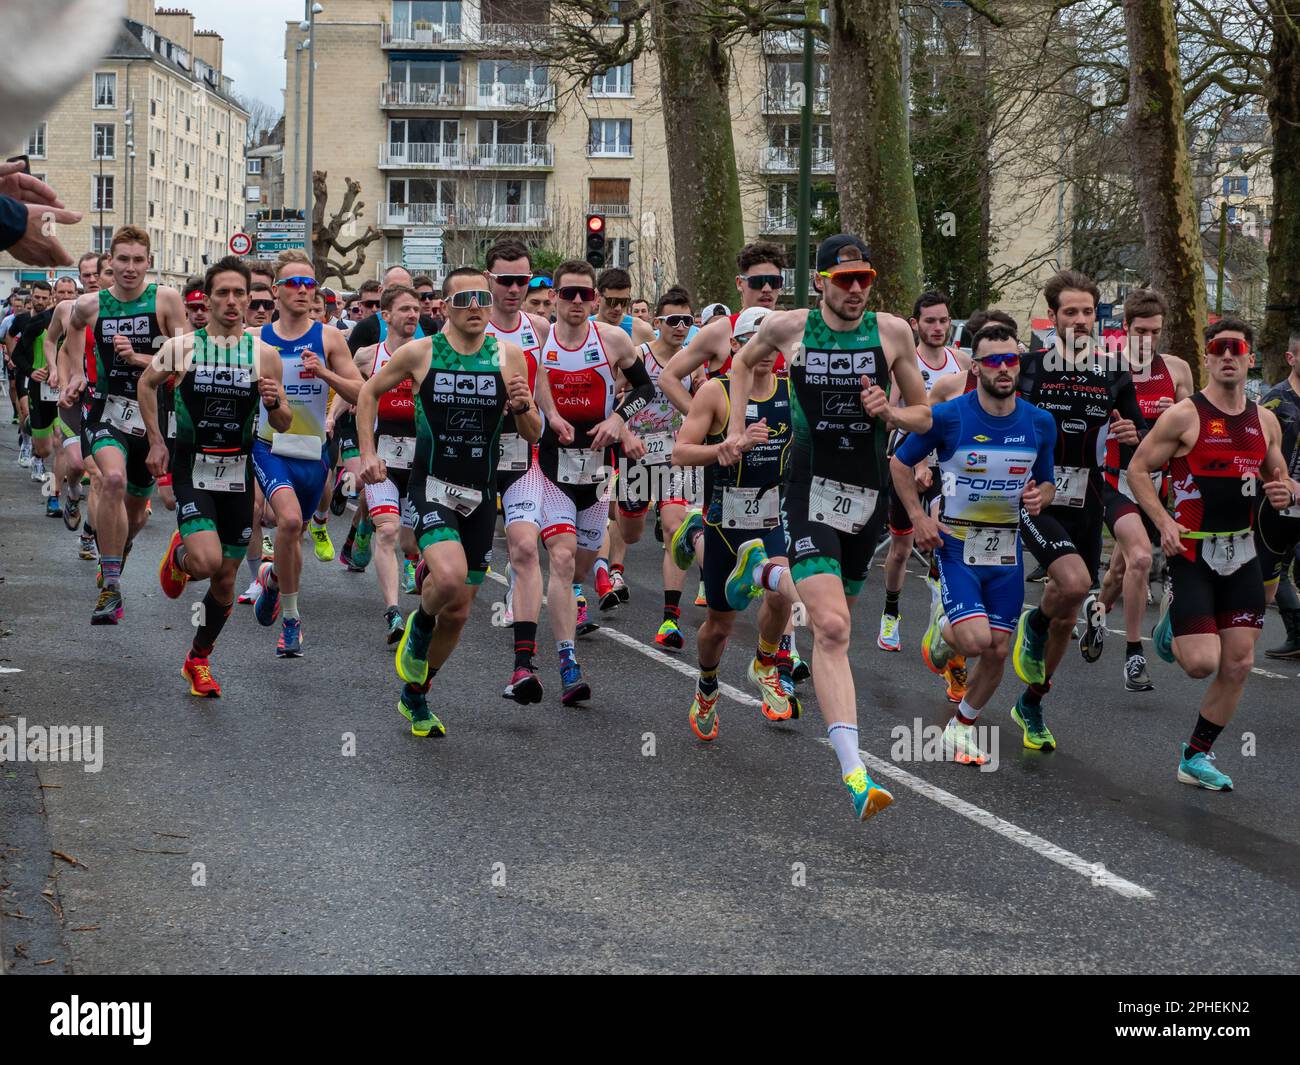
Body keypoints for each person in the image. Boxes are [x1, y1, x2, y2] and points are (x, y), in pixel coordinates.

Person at [719, 234, 930, 821]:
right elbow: (738, 362)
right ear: (821, 283)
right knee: (831, 627)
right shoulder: (790, 329)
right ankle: (856, 773)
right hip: (809, 487)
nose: (857, 288)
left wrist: (891, 414)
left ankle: (761, 568)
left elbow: (924, 413)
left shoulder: (892, 332)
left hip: (866, 496)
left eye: (864, 277)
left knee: (835, 616)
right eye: (844, 279)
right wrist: (736, 427)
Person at [356, 267, 541, 737]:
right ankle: (419, 621)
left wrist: (522, 407)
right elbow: (367, 394)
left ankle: (417, 694)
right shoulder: (420, 352)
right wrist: (368, 454)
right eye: (464, 299)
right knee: (452, 579)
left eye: (482, 297)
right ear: (443, 307)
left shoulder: (509, 355)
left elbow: (532, 433)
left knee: (459, 610)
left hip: (483, 492)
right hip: (430, 485)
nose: (476, 306)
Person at [1128, 319, 1297, 791]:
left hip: (1242, 551)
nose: (1227, 356)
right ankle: (1172, 623)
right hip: (1191, 550)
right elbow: (1139, 469)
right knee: (1201, 663)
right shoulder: (1185, 415)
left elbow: (1278, 481)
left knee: (1240, 662)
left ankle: (1195, 755)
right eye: (1218, 348)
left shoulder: (1265, 421)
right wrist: (1163, 521)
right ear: (1207, 357)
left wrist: (1282, 493)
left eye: (1236, 349)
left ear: (1249, 358)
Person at [891, 323, 1057, 765]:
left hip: (1007, 548)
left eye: (1011, 360)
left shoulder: (1040, 422)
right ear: (976, 366)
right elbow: (900, 463)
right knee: (976, 640)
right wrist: (916, 519)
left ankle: (960, 727)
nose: (1004, 369)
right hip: (956, 542)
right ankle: (942, 634)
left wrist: (1042, 496)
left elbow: (1048, 482)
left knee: (999, 648)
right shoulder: (950, 416)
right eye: (993, 361)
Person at [1007, 270, 1147, 751]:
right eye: (1071, 312)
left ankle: (1032, 700)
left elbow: (1139, 438)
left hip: (1088, 497)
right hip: (1033, 495)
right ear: (1054, 317)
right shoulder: (1029, 368)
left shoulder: (1113, 370)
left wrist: (1135, 437)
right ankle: (1034, 624)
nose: (1082, 320)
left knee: (1070, 611)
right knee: (1070, 585)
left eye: (1088, 311)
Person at [140, 257, 290, 696]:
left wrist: (277, 400)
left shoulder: (265, 356)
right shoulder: (181, 348)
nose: (230, 301)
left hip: (238, 473)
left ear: (250, 298)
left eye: (239, 293)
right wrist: (155, 441)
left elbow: (280, 424)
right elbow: (147, 385)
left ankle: (197, 660)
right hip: (192, 467)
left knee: (225, 580)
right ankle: (182, 556)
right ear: (206, 299)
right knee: (205, 564)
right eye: (221, 293)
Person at [671, 304, 797, 738]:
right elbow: (681, 451)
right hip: (726, 518)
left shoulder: (789, 390)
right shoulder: (717, 392)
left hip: (771, 514)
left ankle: (764, 662)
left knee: (783, 590)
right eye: (750, 342)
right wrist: (723, 449)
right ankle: (707, 685)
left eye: (770, 343)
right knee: (718, 627)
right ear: (735, 347)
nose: (762, 352)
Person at [535, 260, 654, 704]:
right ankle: (568, 662)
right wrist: (547, 416)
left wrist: (618, 421)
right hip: (548, 464)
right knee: (562, 560)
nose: (578, 302)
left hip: (596, 468)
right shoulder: (540, 340)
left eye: (586, 294)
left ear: (597, 300)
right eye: (569, 294)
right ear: (555, 298)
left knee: (580, 565)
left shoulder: (614, 340)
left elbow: (645, 389)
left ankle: (578, 589)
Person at [62, 226, 188, 624]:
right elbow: (69, 341)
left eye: (138, 260)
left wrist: (138, 359)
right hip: (105, 410)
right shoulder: (89, 305)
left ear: (148, 262)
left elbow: (185, 362)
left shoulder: (166, 299)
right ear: (109, 262)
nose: (130, 268)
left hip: (153, 415)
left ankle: (119, 551)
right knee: (110, 480)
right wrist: (74, 376)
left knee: (135, 514)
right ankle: (111, 588)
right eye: (123, 260)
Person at [249, 251, 363, 656]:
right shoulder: (255, 338)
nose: (302, 290)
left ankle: (274, 583)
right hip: (270, 447)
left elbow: (361, 393)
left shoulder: (330, 338)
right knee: (291, 522)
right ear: (276, 292)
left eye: (309, 284)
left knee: (291, 536)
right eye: (293, 284)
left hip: (313, 453)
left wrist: (325, 373)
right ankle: (293, 622)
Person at [1093, 289, 1194, 691]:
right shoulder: (1106, 369)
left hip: (1156, 486)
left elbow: (1192, 435)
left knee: (1118, 572)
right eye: (1139, 331)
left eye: (1154, 331)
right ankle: (1134, 655)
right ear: (1125, 329)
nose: (1146, 340)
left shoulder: (1178, 370)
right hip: (1114, 481)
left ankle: (1097, 617)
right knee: (1138, 561)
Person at [602, 286, 701, 651]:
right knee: (629, 532)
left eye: (686, 321)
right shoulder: (638, 356)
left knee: (676, 529)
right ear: (657, 322)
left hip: (676, 455)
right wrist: (625, 432)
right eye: (673, 320)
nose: (679, 327)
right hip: (636, 455)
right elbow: (612, 400)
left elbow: (702, 401)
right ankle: (614, 517)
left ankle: (670, 619)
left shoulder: (694, 359)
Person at [879, 289, 969, 669]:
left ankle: (944, 621)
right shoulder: (905, 361)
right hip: (909, 458)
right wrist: (916, 458)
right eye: (929, 321)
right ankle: (891, 612)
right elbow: (891, 415)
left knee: (946, 541)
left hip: (949, 465)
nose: (937, 328)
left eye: (943, 320)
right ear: (915, 324)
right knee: (901, 548)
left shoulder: (961, 361)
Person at [480, 240, 553, 704]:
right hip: (468, 459)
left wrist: (548, 418)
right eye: (504, 280)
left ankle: (522, 667)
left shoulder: (538, 328)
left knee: (526, 549)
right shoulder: (466, 325)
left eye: (521, 281)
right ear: (488, 279)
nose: (513, 289)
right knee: (456, 576)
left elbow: (542, 385)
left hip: (521, 455)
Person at [351, 284, 424, 643]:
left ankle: (362, 521)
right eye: (405, 309)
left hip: (421, 461)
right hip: (383, 457)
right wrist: (335, 419)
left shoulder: (429, 354)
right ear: (386, 316)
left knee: (410, 543)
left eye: (417, 309)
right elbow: (355, 392)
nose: (413, 314)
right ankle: (394, 613)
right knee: (389, 532)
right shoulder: (368, 355)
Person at [1257, 332, 1300, 657]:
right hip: (1277, 505)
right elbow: (1251, 451)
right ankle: (1296, 634)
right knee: (1274, 572)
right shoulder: (1274, 401)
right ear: (1291, 358)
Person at [594, 268, 655, 345]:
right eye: (612, 301)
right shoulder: (584, 328)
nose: (618, 308)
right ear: (598, 297)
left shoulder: (642, 330)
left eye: (624, 302)